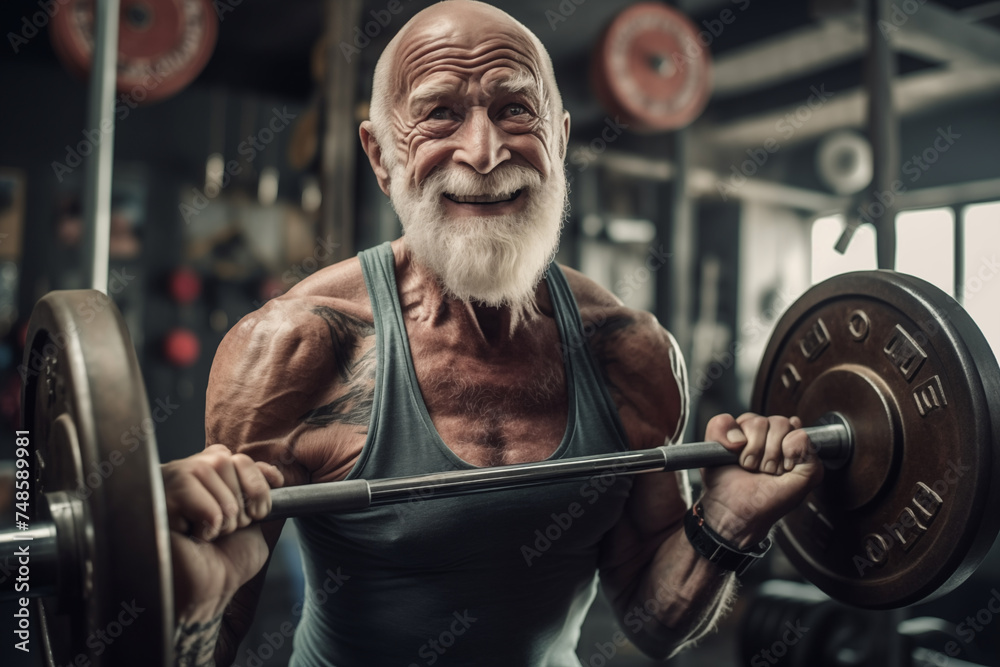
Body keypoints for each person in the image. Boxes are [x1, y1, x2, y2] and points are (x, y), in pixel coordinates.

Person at [161, 2, 823, 665]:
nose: (485, 152)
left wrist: (729, 520)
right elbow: (212, 639)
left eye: (514, 110)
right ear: (381, 156)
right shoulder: (293, 347)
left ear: (560, 141)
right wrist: (181, 598)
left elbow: (653, 623)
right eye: (440, 113)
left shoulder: (631, 351)